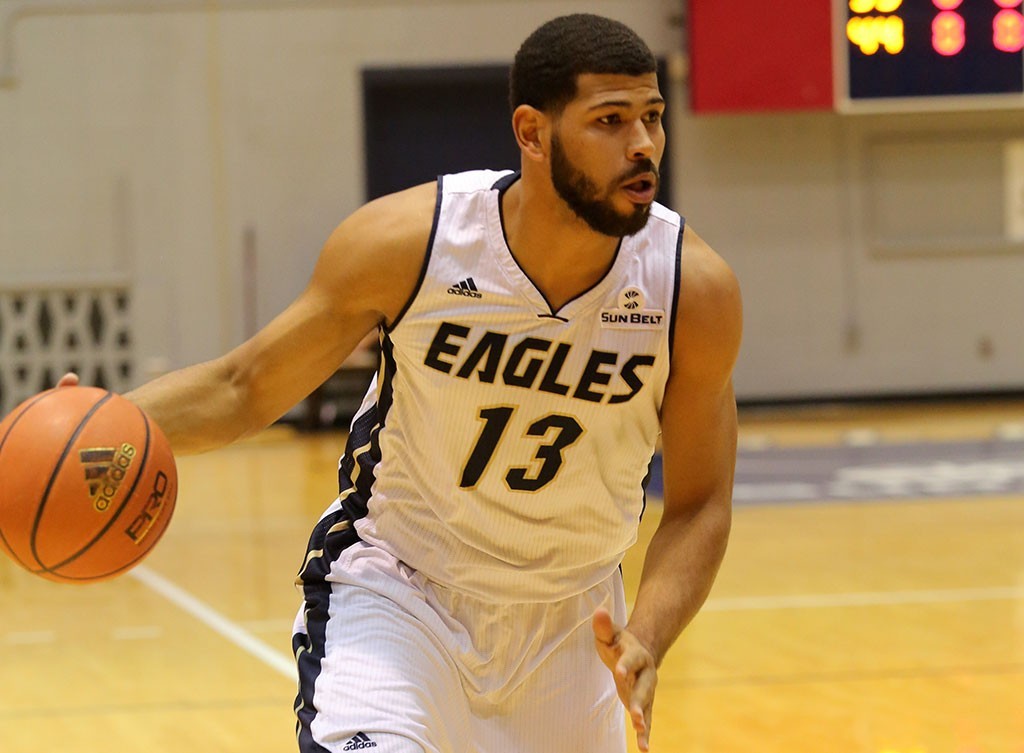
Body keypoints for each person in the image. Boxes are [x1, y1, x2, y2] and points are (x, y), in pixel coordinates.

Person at [62, 13, 741, 753]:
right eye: (610, 121)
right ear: (533, 132)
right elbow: (243, 385)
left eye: (651, 117)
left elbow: (701, 501)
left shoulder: (691, 291)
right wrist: (96, 425)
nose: (642, 144)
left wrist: (647, 634)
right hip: (401, 595)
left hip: (575, 626)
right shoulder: (412, 243)